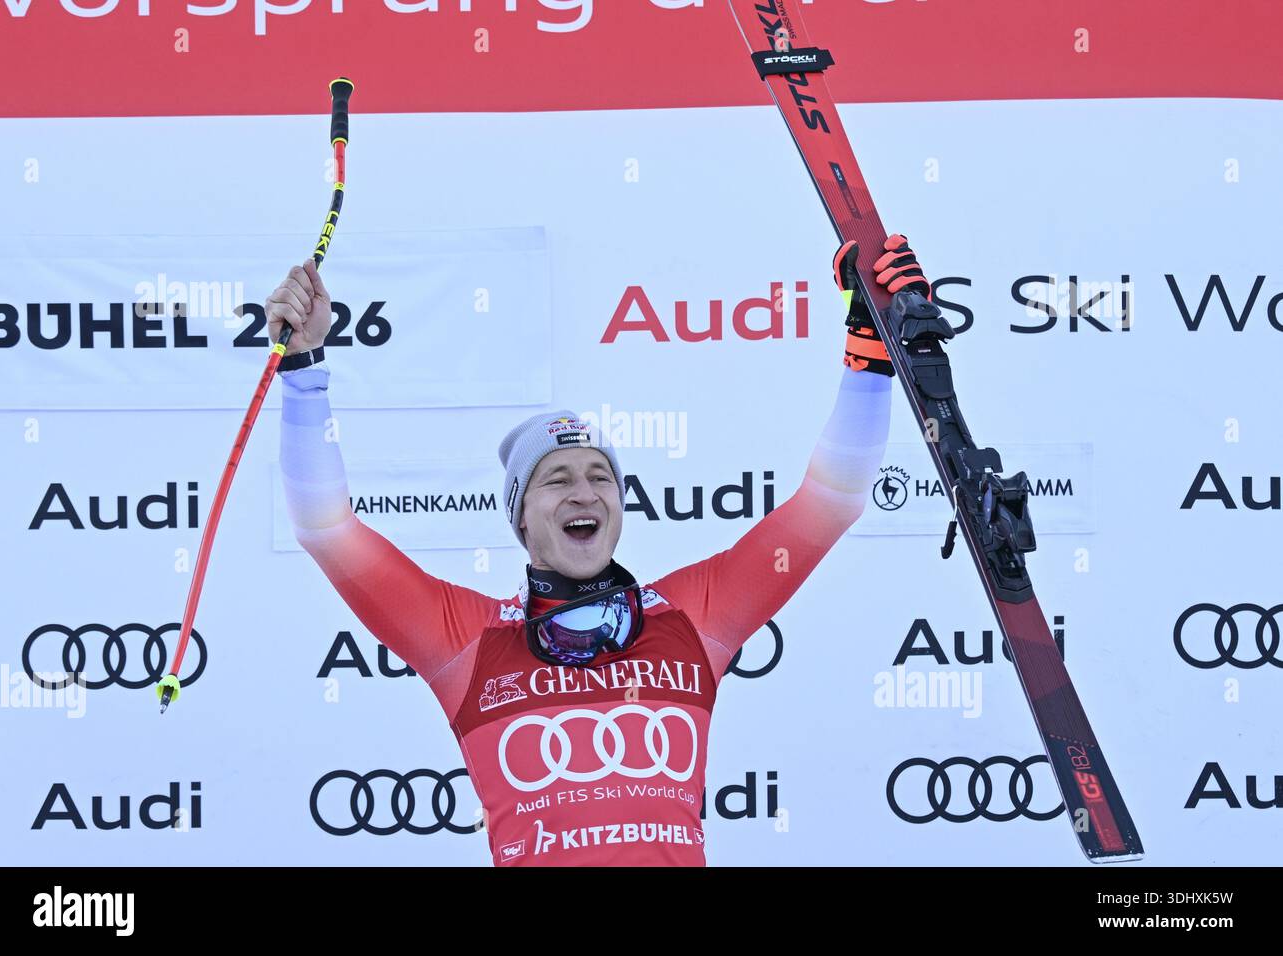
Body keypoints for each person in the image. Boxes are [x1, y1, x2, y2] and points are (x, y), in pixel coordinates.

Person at [267, 234, 932, 866]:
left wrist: (870, 353)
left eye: (601, 478)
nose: (584, 492)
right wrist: (302, 366)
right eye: (556, 479)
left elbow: (831, 499)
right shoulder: (465, 640)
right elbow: (324, 525)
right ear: (522, 519)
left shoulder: (692, 618)